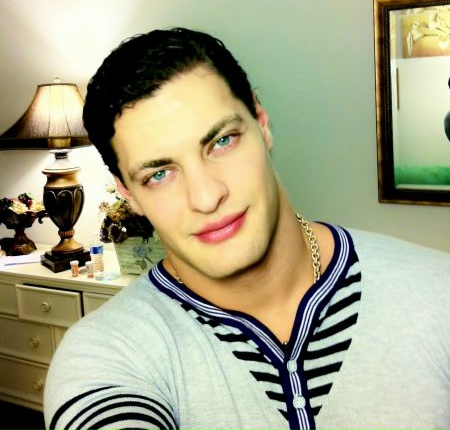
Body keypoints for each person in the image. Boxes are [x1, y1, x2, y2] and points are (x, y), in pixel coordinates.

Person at [44, 27, 449, 430]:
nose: (206, 197)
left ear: (262, 124)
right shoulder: (107, 353)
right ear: (128, 193)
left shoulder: (437, 292)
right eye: (159, 174)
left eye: (222, 141)